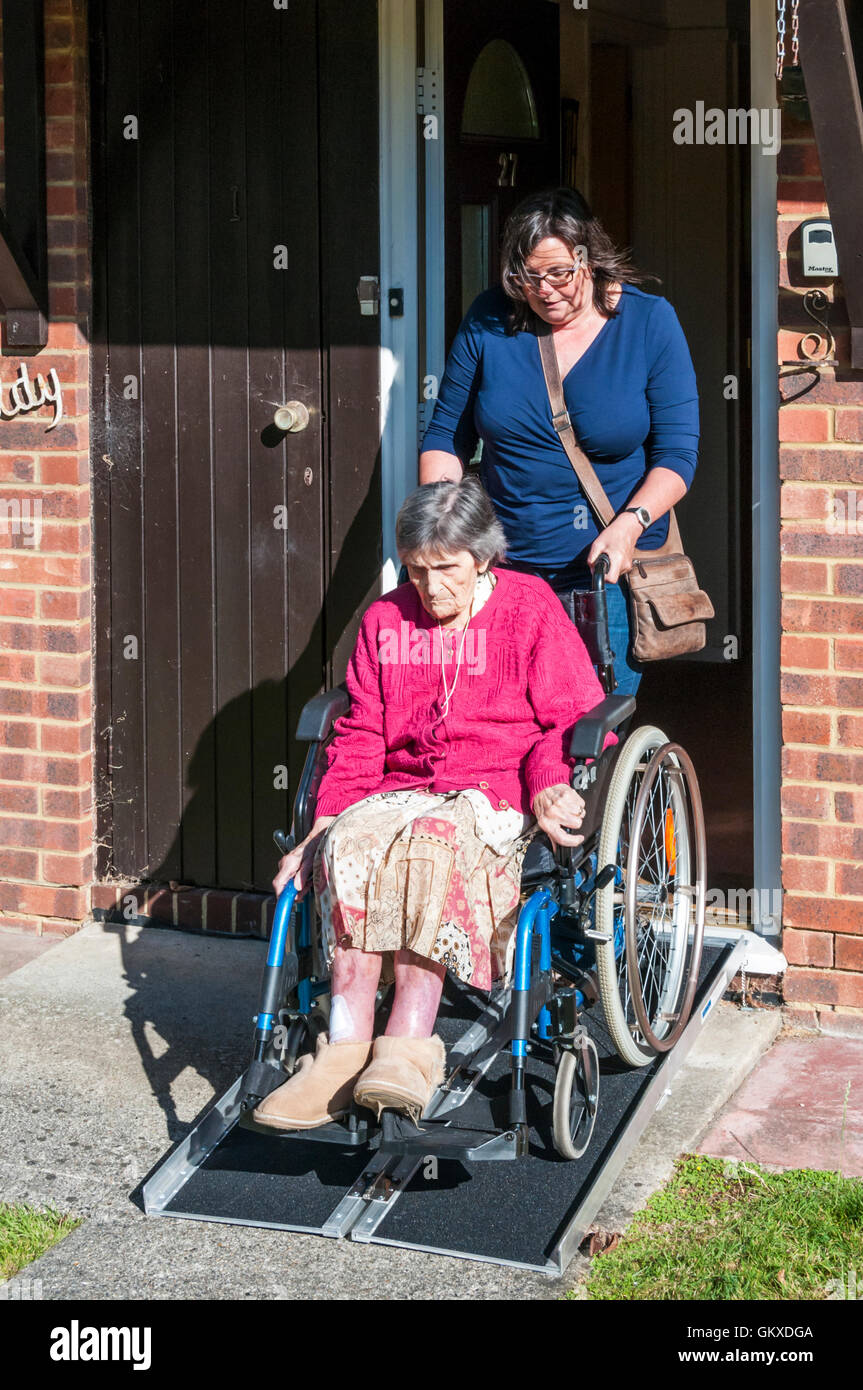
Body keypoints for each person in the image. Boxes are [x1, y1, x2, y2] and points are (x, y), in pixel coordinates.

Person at [253, 476, 612, 1132]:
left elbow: (567, 717)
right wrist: (323, 825)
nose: (431, 587)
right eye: (417, 571)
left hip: (493, 789)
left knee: (432, 846)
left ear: (483, 558)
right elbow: (361, 733)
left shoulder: (528, 609)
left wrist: (549, 782)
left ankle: (409, 1048)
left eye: (446, 569)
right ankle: (341, 1049)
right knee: (350, 846)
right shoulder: (386, 620)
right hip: (399, 789)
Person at [419, 186, 700, 696]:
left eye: (559, 273)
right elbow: (444, 437)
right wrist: (441, 530)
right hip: (502, 573)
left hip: (603, 577)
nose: (544, 290)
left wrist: (629, 526)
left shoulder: (648, 322)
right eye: (528, 277)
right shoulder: (489, 320)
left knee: (586, 735)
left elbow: (678, 455)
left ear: (588, 258)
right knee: (497, 725)